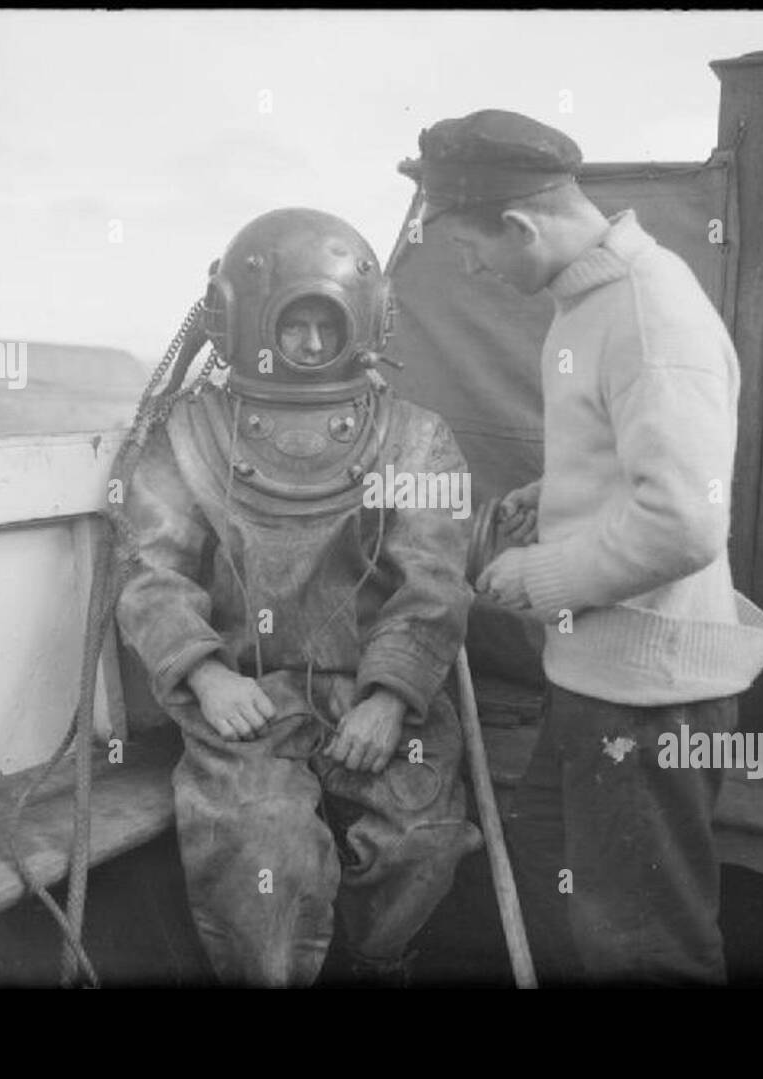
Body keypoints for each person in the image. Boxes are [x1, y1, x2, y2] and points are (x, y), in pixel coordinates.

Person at [415, 109, 763, 985]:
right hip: (596, 681)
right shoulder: (586, 301)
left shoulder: (649, 316)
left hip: (650, 704)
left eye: (472, 252)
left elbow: (685, 522)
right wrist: (551, 497)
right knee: (551, 861)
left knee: (648, 945)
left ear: (518, 223)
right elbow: (633, 457)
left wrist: (541, 574)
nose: (474, 271)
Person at [115, 208, 482, 987]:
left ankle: (375, 967)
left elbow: (435, 581)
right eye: (293, 322)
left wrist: (390, 696)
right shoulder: (189, 435)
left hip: (378, 699)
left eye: (329, 321)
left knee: (420, 843)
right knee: (264, 858)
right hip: (248, 701)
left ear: (367, 322)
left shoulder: (416, 437)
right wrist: (208, 677)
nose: (313, 344)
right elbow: (153, 573)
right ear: (239, 322)